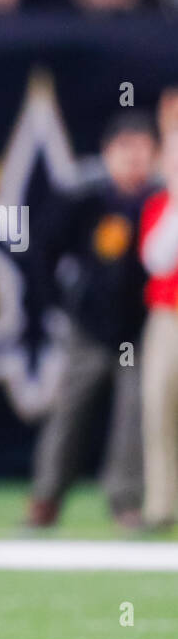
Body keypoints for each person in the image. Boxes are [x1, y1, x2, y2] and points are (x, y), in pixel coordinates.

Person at [27, 112, 157, 528]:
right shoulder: (86, 198)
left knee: (135, 416)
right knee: (69, 412)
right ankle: (46, 498)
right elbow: (45, 250)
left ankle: (127, 502)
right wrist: (62, 304)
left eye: (142, 152)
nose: (133, 161)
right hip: (89, 328)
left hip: (140, 329)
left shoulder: (158, 201)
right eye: (125, 151)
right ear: (108, 153)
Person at [138, 128, 178, 529]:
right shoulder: (160, 206)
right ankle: (161, 506)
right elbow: (157, 260)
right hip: (168, 317)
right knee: (159, 412)